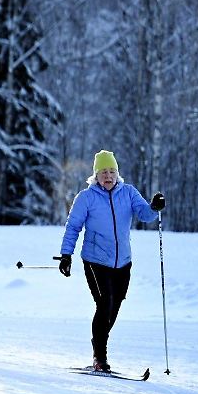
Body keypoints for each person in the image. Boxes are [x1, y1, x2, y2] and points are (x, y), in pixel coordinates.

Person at [58, 149, 166, 372]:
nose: (108, 176)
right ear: (95, 176)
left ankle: (98, 342)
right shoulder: (86, 197)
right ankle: (100, 356)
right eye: (103, 172)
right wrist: (66, 255)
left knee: (114, 306)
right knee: (105, 302)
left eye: (112, 171)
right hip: (95, 260)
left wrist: (154, 207)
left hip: (123, 262)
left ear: (117, 173)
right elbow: (73, 227)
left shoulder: (128, 193)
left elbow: (144, 214)